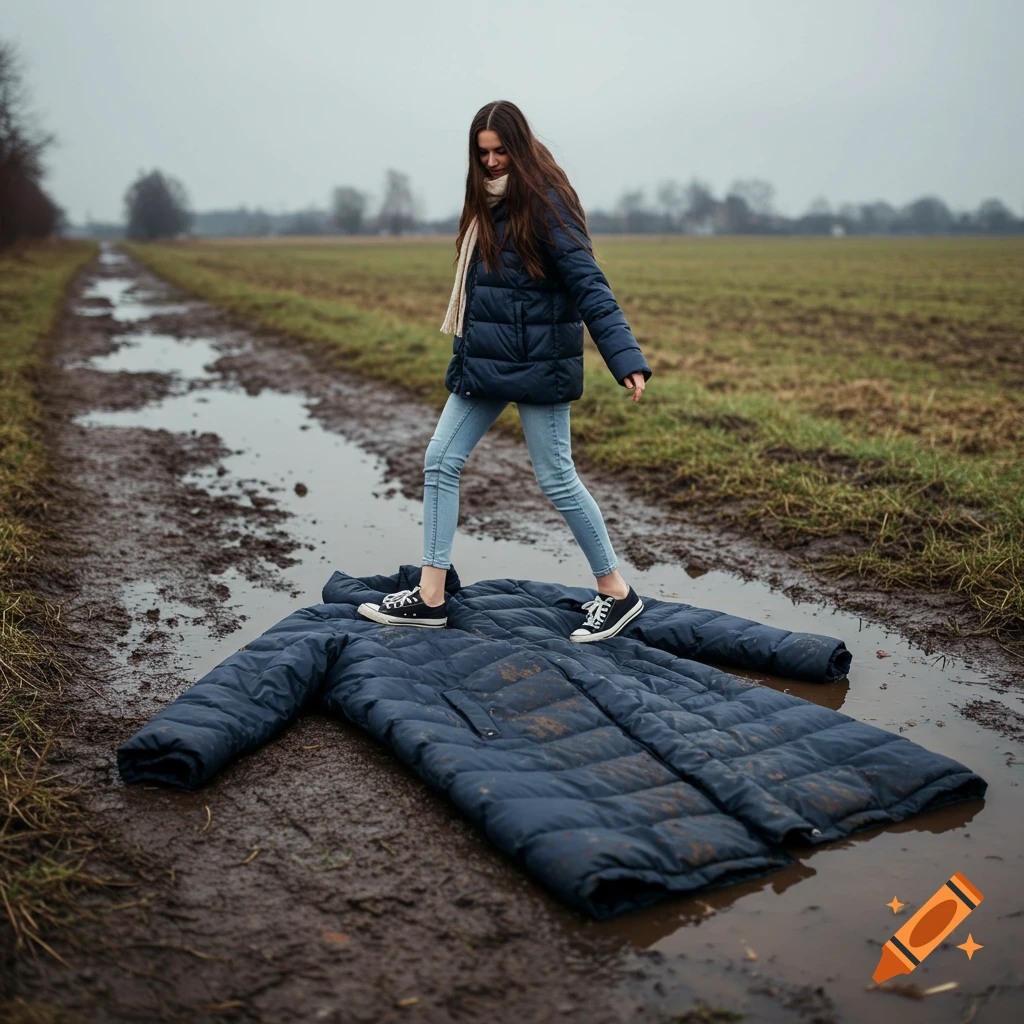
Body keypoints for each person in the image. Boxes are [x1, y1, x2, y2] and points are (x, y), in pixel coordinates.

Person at [358, 100, 651, 642]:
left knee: (556, 478)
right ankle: (430, 596)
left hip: (539, 362)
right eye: (483, 152)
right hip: (486, 360)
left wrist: (624, 355)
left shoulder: (547, 203)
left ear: (519, 146)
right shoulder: (484, 202)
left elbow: (589, 282)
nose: (492, 162)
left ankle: (616, 593)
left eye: (500, 151)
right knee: (440, 459)